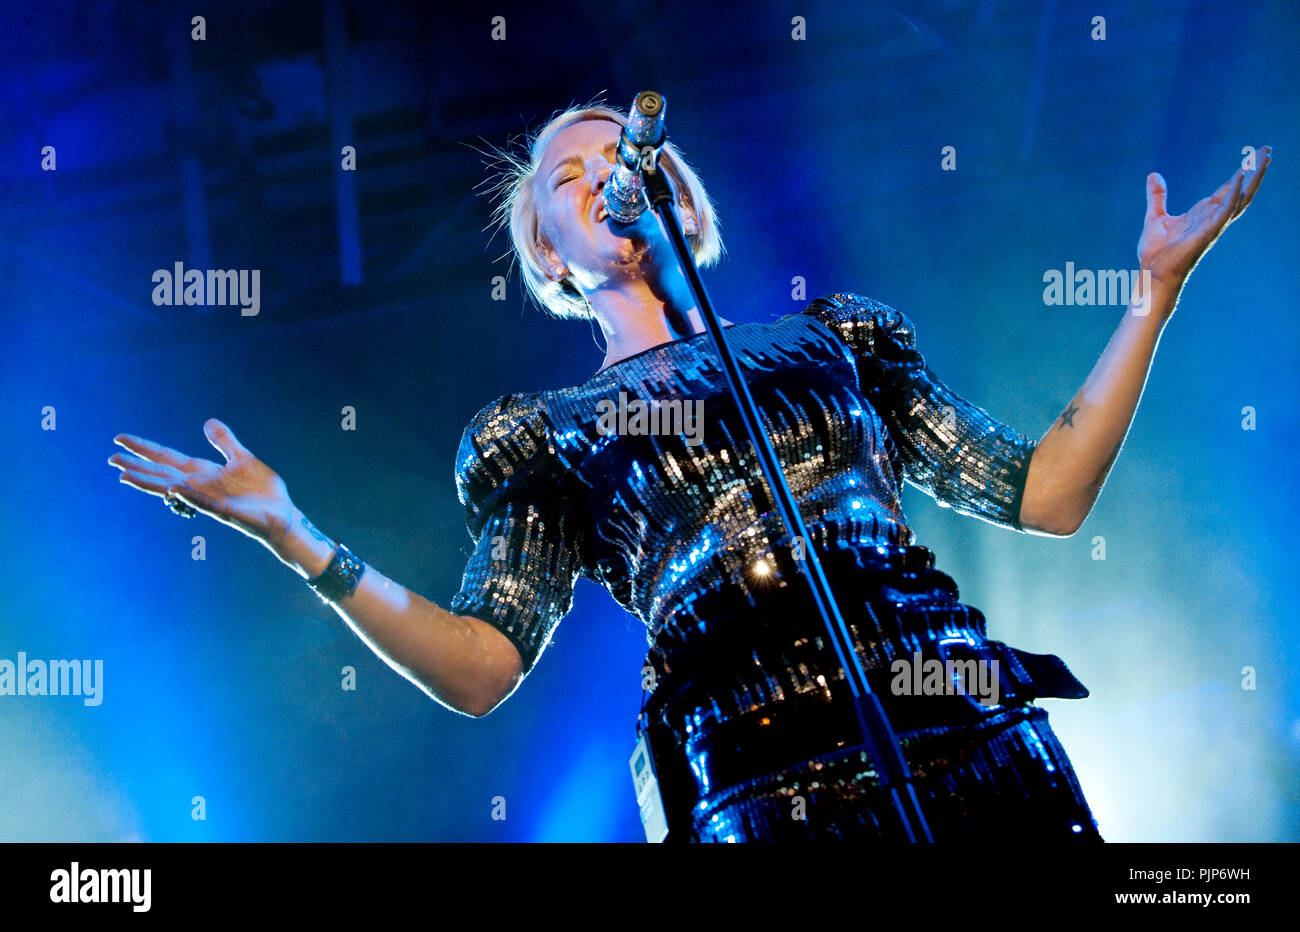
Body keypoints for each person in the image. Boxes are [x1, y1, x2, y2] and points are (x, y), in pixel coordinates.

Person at [108, 101, 1270, 842]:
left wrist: (1148, 300)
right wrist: (300, 536)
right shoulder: (550, 430)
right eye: (571, 177)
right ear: (548, 258)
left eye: (623, 152)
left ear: (683, 196)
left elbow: (1044, 492)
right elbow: (478, 667)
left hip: (971, 732)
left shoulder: (835, 341)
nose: (608, 172)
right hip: (759, 777)